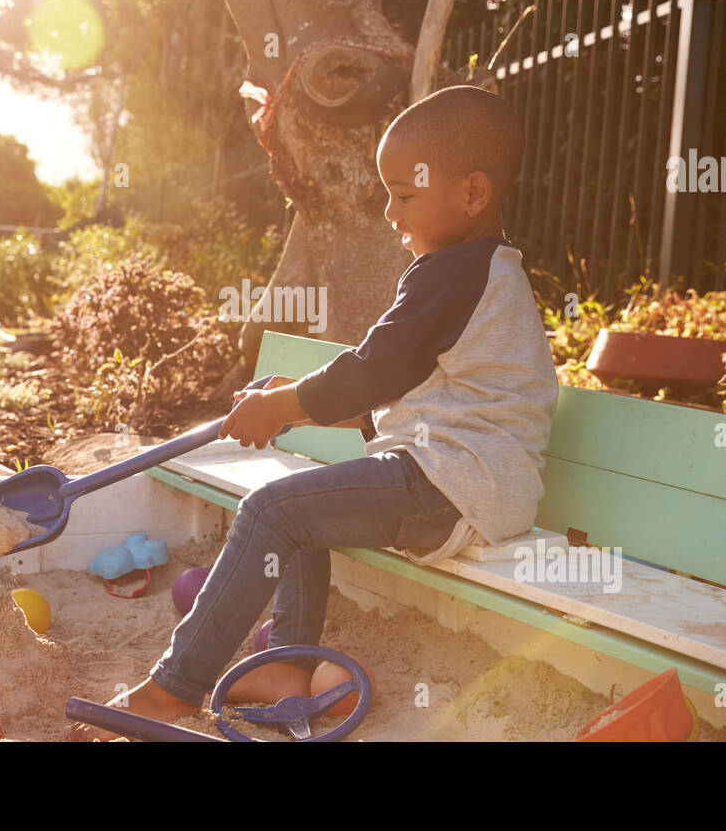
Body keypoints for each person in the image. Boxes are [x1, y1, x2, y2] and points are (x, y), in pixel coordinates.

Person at [67, 86, 559, 739]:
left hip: (455, 484)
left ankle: (172, 690)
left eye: (404, 195)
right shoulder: (471, 274)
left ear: (472, 195)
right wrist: (290, 405)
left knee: (272, 510)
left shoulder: (456, 273)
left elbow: (373, 373)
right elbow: (397, 395)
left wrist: (281, 405)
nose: (389, 211)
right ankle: (287, 665)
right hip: (452, 476)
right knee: (292, 508)